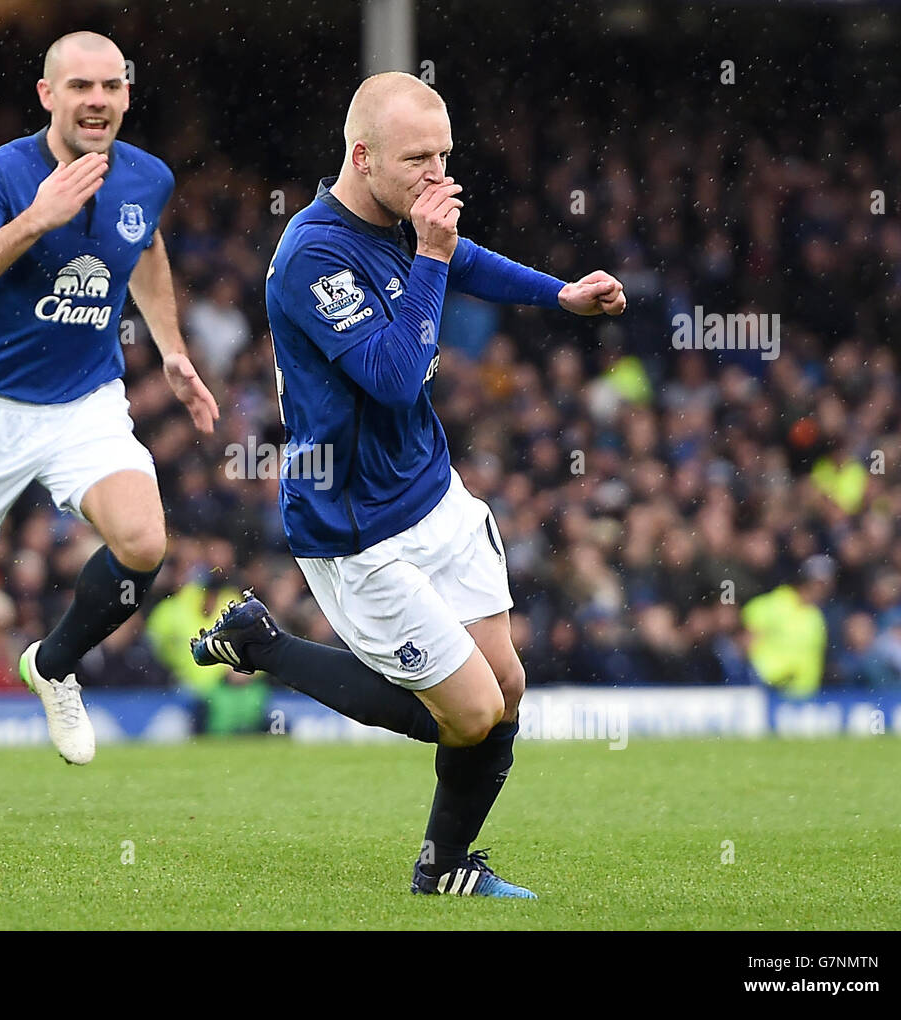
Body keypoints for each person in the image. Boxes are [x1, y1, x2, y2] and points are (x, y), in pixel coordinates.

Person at [192, 73, 625, 897]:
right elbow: (393, 376)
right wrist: (430, 252)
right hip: (357, 525)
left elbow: (465, 260)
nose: (439, 175)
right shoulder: (313, 254)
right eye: (419, 158)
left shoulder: (401, 219)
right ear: (362, 156)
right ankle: (262, 645)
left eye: (445, 156)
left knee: (505, 691)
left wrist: (558, 294)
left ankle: (446, 868)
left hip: (432, 492)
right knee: (463, 715)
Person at [0, 31, 219, 831]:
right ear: (47, 96)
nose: (98, 100)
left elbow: (149, 245)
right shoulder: (1, 174)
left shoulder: (148, 177)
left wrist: (170, 350)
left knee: (143, 541)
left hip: (85, 403)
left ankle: (54, 664)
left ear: (127, 96)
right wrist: (35, 219)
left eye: (112, 87)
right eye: (81, 87)